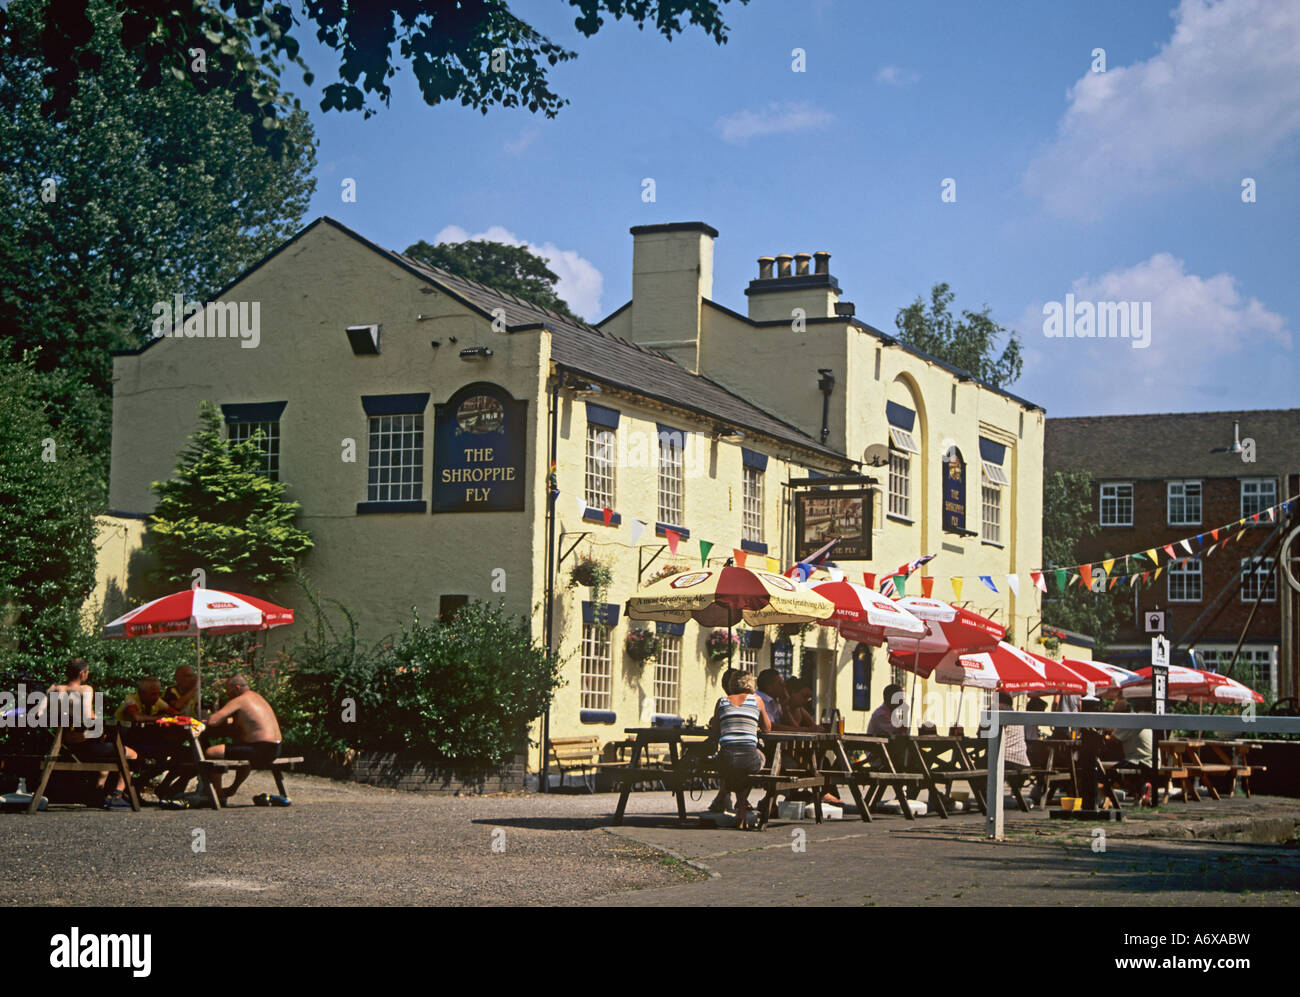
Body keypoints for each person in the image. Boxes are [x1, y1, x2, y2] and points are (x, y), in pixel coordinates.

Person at [33, 659, 136, 809]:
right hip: (83, 745)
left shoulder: (53, 689)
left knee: (107, 755)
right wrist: (101, 727)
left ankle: (98, 793)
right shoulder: (85, 689)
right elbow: (88, 717)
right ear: (82, 673)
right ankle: (116, 795)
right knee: (132, 755)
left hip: (61, 745)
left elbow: (38, 714)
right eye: (87, 672)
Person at [202, 675, 283, 800]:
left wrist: (207, 717)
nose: (227, 694)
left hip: (261, 748)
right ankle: (232, 789)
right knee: (241, 748)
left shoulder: (240, 700)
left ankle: (217, 794)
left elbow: (213, 721)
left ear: (237, 688)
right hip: (275, 748)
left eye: (228, 690)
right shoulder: (257, 697)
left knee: (211, 752)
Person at [713, 671, 771, 829]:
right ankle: (742, 811)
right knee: (757, 758)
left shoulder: (722, 701)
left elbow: (715, 728)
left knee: (735, 767)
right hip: (748, 758)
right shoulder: (757, 700)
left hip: (726, 759)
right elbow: (767, 728)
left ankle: (737, 808)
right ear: (751, 684)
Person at [1103, 697, 1155, 805]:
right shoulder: (1135, 718)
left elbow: (1112, 740)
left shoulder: (1127, 721)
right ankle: (1141, 791)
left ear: (1119, 713)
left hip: (1140, 760)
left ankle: (1136, 791)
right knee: (1117, 764)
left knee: (1110, 772)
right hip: (1151, 759)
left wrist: (1106, 731)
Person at [707, 669, 741, 814]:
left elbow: (715, 727)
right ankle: (739, 801)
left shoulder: (722, 702)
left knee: (729, 760)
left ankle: (723, 796)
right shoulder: (753, 701)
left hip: (728, 752)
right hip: (745, 752)